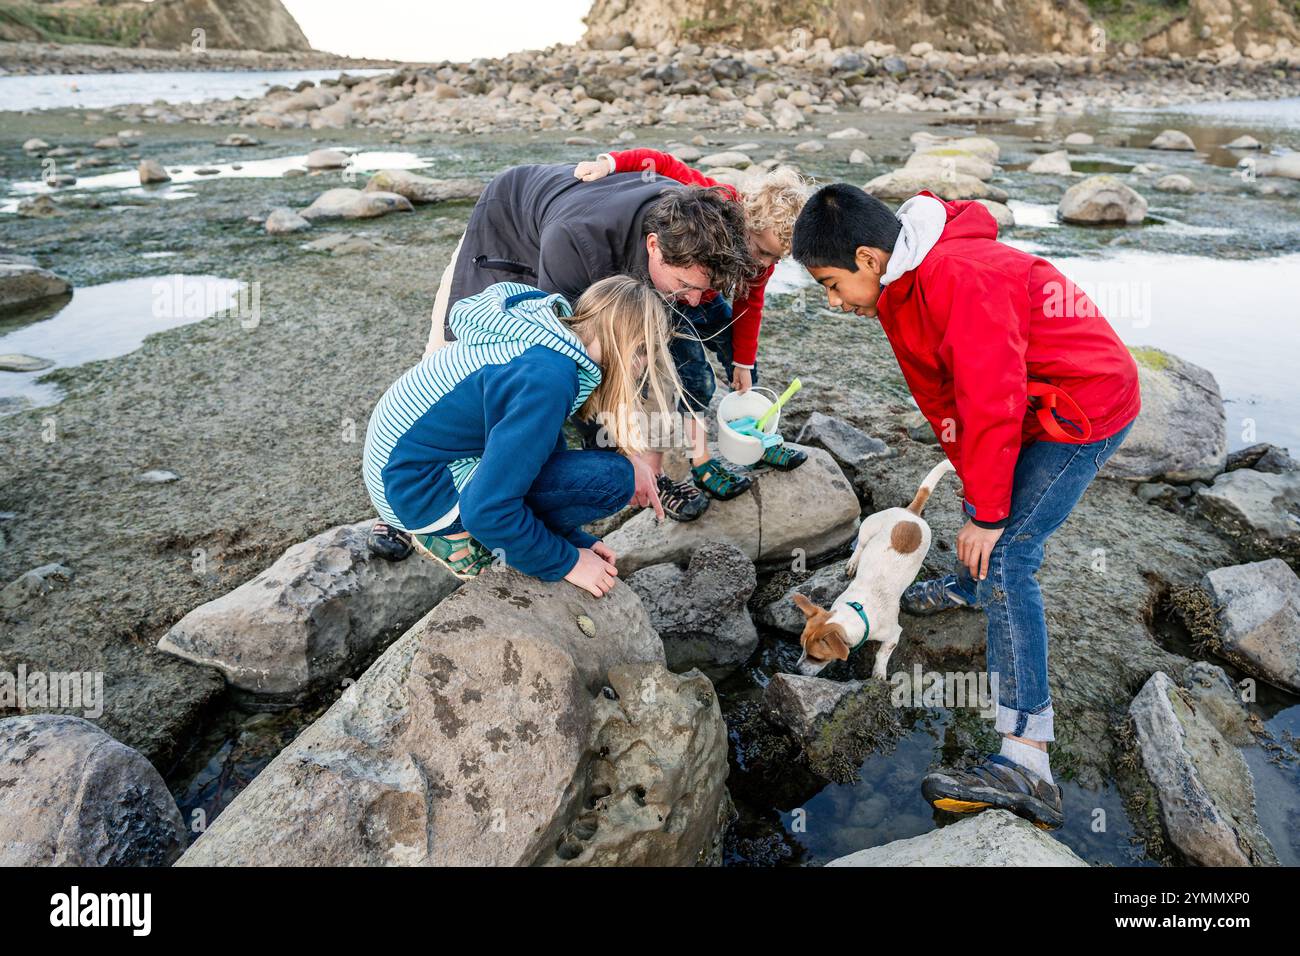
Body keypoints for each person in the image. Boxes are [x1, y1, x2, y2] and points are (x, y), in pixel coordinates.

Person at [791, 184, 1141, 829]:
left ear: (868, 258)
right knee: (986, 522)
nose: (834, 303)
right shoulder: (904, 279)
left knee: (1008, 555)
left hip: (1082, 410)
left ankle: (1027, 763)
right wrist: (978, 486)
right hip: (1031, 402)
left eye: (831, 284)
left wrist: (986, 511)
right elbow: (951, 391)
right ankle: (967, 587)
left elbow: (991, 400)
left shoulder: (961, 276)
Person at [368, 163, 754, 560]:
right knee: (459, 355)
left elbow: (626, 366)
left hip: (590, 298)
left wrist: (741, 364)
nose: (693, 300)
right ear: (654, 246)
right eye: (686, 287)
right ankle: (409, 515)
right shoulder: (575, 250)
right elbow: (576, 371)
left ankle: (637, 475)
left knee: (554, 396)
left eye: (702, 290)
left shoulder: (690, 222)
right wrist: (566, 555)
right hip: (510, 226)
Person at [362, 275, 683, 597]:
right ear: (634, 349)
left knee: (578, 467)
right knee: (613, 479)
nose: (642, 371)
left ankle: (510, 534)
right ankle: (454, 538)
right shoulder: (549, 380)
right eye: (647, 358)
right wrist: (567, 561)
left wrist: (574, 538)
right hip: (420, 493)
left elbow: (534, 452)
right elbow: (485, 510)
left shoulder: (545, 338)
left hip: (406, 468)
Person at [573, 151, 811, 501]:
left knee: (743, 364)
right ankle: (699, 461)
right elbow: (665, 165)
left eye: (776, 259)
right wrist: (610, 163)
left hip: (709, 296)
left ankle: (755, 435)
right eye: (762, 252)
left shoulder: (764, 256)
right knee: (694, 377)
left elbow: (750, 305)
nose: (765, 264)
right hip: (674, 296)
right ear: (748, 221)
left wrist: (742, 361)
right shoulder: (715, 204)